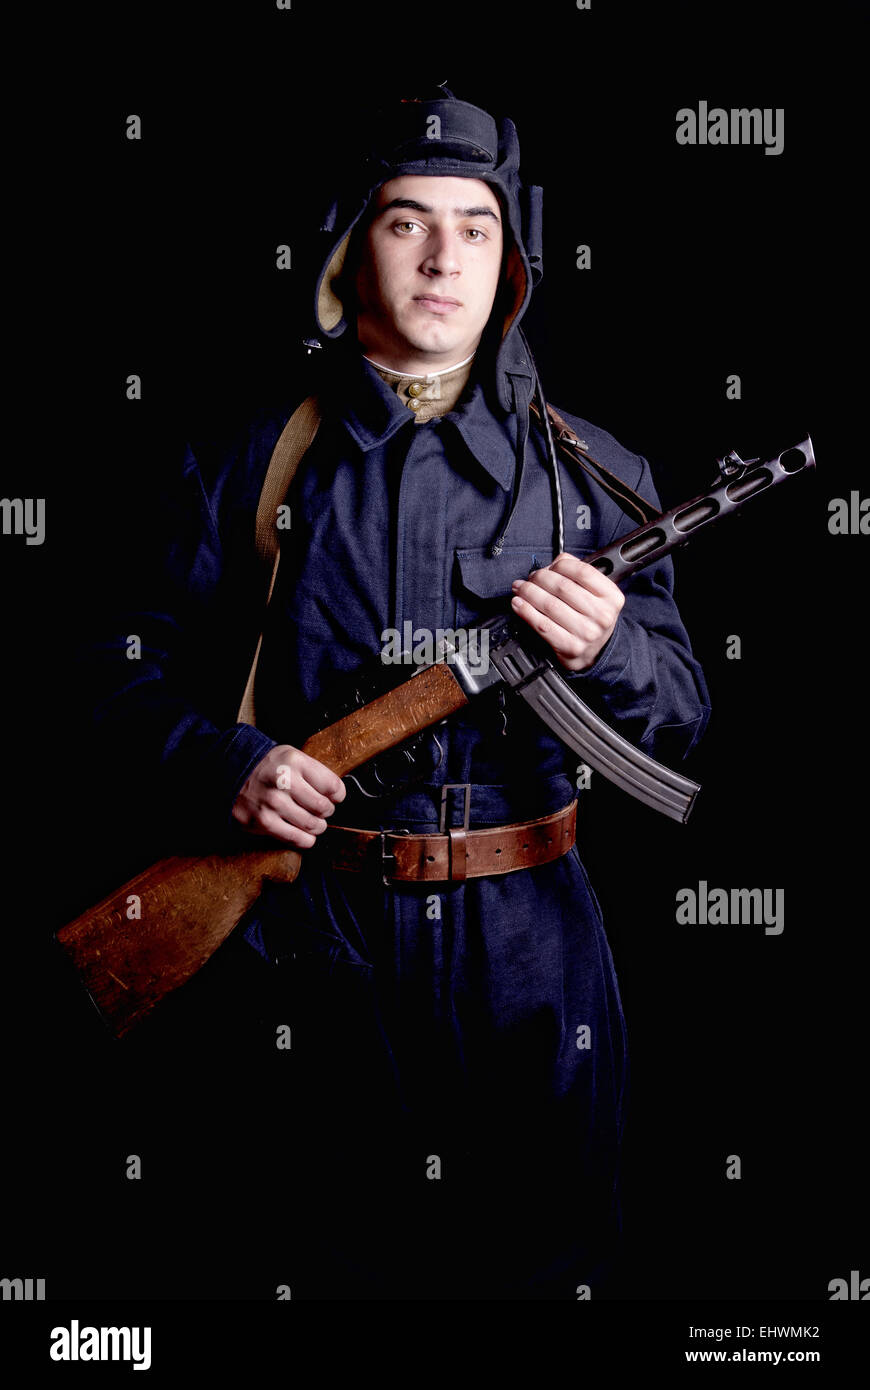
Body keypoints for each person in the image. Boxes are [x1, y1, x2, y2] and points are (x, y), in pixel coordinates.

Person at [86, 85, 710, 1299]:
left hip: (534, 951)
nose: (442, 257)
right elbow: (111, 681)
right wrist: (229, 765)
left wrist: (611, 651)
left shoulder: (595, 478)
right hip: (313, 945)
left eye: (475, 227)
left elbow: (684, 714)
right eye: (406, 221)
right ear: (348, 248)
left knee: (551, 1274)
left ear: (512, 261)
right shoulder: (246, 459)